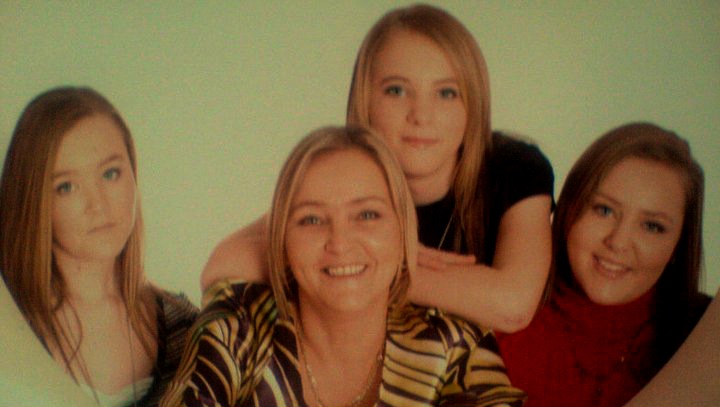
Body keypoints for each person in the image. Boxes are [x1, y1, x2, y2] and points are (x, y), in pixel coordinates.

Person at [149, 126, 528, 407]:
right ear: (281, 240)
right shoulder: (240, 323)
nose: (340, 242)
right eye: (311, 219)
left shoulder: (453, 341)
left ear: (404, 233)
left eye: (367, 215)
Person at [201, 3, 554, 332]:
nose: (421, 115)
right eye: (397, 90)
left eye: (446, 93)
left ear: (473, 104)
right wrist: (382, 260)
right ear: (364, 100)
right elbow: (222, 265)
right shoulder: (340, 169)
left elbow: (513, 304)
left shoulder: (515, 166)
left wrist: (387, 267)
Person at [496, 122, 711, 407]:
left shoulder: (703, 336)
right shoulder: (500, 311)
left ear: (677, 246)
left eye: (652, 226)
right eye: (604, 210)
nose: (618, 242)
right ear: (570, 209)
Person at [0, 86, 197, 407]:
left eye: (110, 174)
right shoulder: (10, 326)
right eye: (66, 187)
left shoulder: (185, 327)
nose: (98, 205)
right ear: (33, 200)